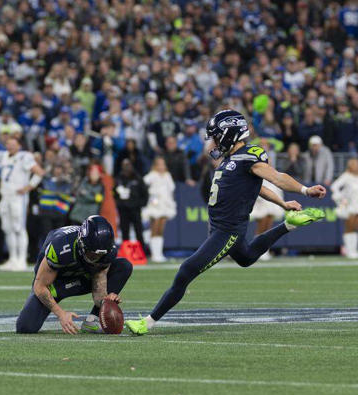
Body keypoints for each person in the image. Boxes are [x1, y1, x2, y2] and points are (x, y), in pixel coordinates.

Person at [125, 110, 328, 336]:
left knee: (187, 269)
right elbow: (257, 186)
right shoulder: (230, 159)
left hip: (227, 229)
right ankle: (288, 225)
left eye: (216, 136)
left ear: (229, 134)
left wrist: (305, 190)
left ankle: (148, 322)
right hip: (221, 226)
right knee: (247, 257)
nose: (213, 141)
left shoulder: (250, 155)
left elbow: (276, 177)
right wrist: (282, 203)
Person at [15, 215, 133, 334]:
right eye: (92, 254)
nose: (96, 259)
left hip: (82, 277)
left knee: (123, 266)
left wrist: (106, 301)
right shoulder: (61, 247)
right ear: (82, 243)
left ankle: (93, 320)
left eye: (100, 255)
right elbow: (39, 287)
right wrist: (61, 314)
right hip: (54, 284)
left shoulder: (107, 252)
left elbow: (99, 290)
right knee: (25, 327)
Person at [0, 136, 45, 271]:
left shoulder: (25, 156)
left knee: (19, 228)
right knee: (7, 228)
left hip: (18, 197)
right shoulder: (4, 156)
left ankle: (21, 260)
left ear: (19, 145)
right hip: (5, 196)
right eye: (8, 144)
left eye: (12, 144)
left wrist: (27, 187)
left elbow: (39, 172)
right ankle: (12, 259)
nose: (10, 146)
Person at [142, 156, 176, 262]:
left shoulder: (167, 176)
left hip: (165, 205)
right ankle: (154, 254)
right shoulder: (151, 176)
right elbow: (143, 184)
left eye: (163, 164)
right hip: (155, 205)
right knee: (155, 228)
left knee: (161, 229)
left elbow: (171, 189)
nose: (161, 166)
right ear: (155, 166)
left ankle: (159, 254)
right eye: (159, 164)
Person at [114, 158, 148, 245]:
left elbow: (145, 193)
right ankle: (126, 253)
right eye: (124, 165)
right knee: (125, 232)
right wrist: (119, 203)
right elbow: (114, 193)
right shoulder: (118, 179)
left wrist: (139, 204)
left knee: (139, 232)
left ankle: (142, 252)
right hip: (123, 210)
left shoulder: (138, 178)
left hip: (135, 209)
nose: (126, 167)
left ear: (131, 166)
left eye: (128, 165)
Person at [331, 157, 358, 258]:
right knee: (349, 227)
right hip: (350, 207)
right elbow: (334, 187)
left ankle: (354, 250)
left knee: (355, 228)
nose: (355, 166)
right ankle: (350, 251)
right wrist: (342, 199)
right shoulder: (346, 176)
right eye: (353, 164)